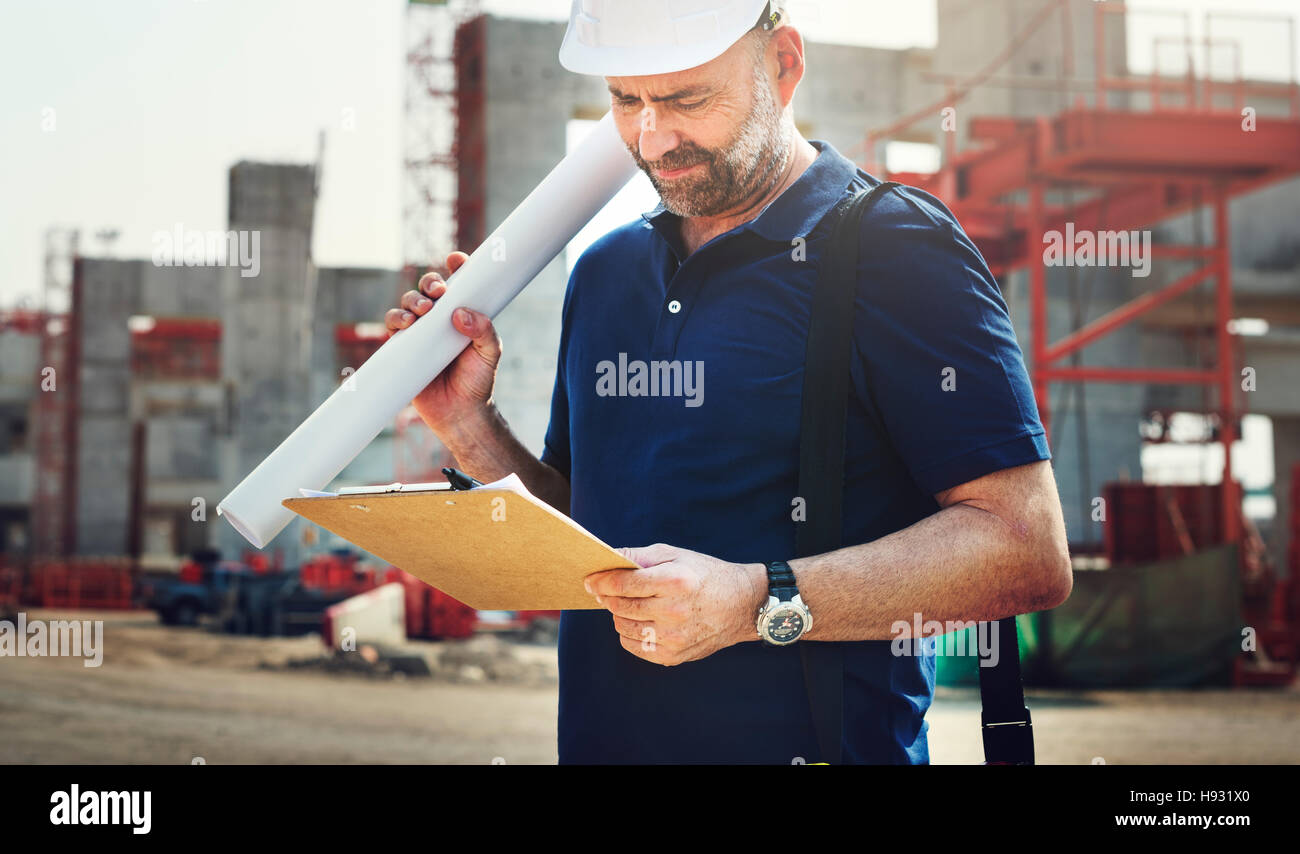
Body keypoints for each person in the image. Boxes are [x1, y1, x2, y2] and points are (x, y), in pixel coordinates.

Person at [384, 0, 1072, 764]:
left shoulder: (898, 250)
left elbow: (1026, 549)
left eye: (687, 99)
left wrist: (756, 602)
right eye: (626, 100)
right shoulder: (605, 273)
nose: (653, 137)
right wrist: (468, 427)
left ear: (783, 64)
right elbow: (591, 535)